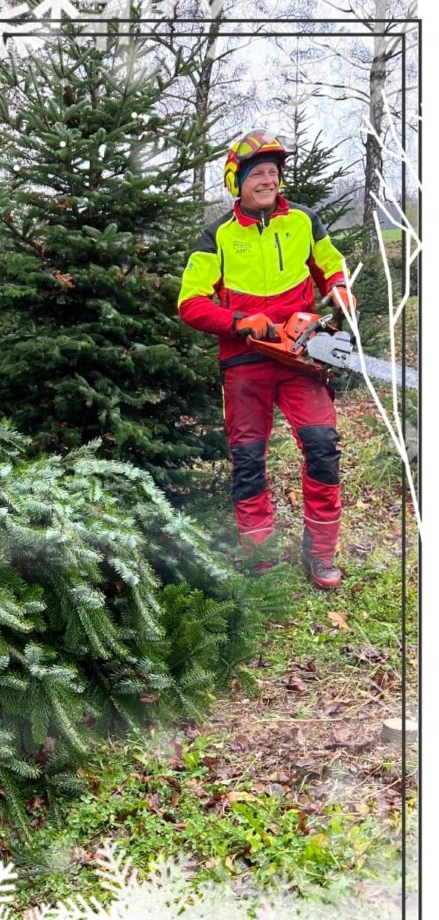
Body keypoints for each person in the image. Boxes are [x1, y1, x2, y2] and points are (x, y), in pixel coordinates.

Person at [177, 130, 356, 588]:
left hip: (302, 357)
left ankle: (320, 552)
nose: (268, 180)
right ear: (236, 180)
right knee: (249, 459)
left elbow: (330, 264)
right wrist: (239, 322)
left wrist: (340, 288)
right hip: (245, 362)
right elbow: (191, 302)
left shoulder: (303, 221)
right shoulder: (215, 235)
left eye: (273, 172)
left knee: (321, 448)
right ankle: (261, 557)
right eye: (257, 172)